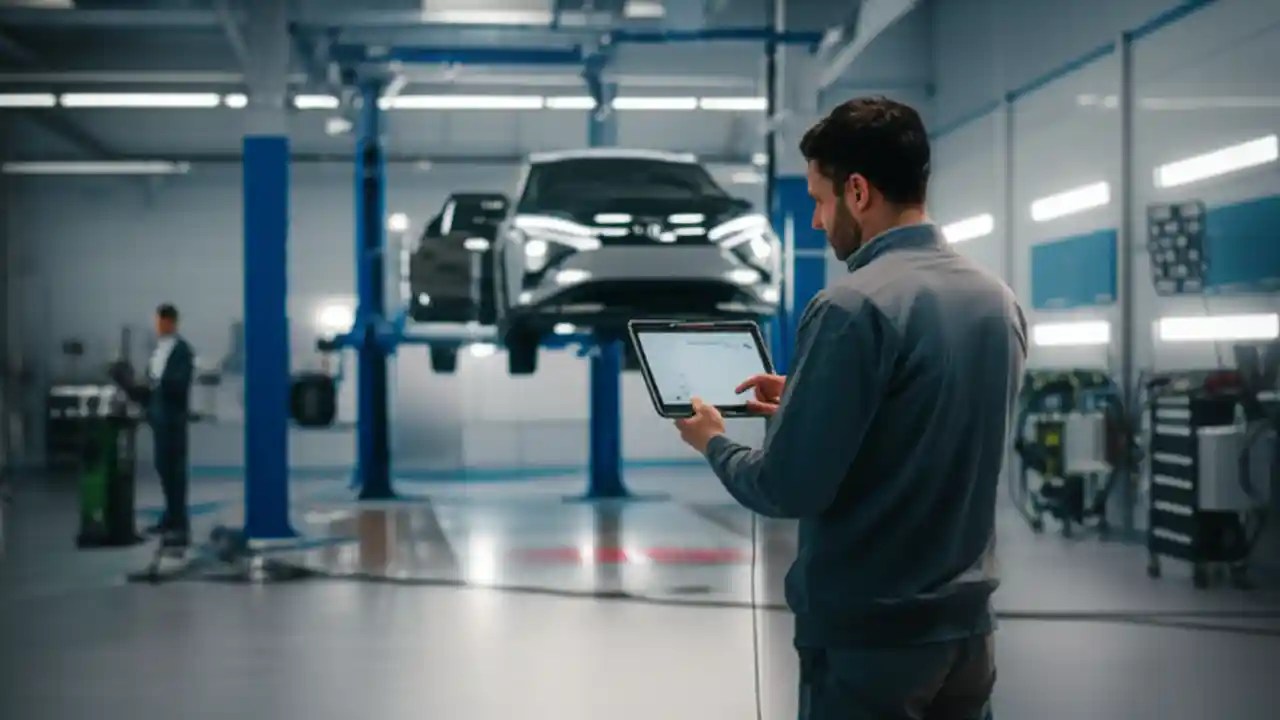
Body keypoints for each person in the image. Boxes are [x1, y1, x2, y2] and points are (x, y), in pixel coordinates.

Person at [673, 97, 1027, 719]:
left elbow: (786, 488)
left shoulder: (852, 306)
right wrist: (809, 396)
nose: (814, 220)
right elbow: (927, 416)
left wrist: (714, 441)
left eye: (819, 199)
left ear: (858, 192)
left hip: (872, 644)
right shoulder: (996, 301)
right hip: (970, 638)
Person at [145, 304, 194, 547]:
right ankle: (169, 516)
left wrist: (158, 387)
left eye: (164, 322)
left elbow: (177, 383)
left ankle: (180, 524)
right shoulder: (158, 350)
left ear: (173, 322)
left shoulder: (182, 350)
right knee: (163, 468)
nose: (160, 326)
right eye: (158, 322)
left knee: (175, 472)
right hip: (159, 419)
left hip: (173, 420)